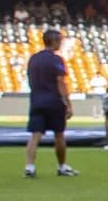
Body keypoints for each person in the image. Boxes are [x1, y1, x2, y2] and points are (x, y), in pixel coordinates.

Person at [23, 28, 76, 178]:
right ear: (54, 41)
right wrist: (68, 104)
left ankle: (29, 167)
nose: (61, 43)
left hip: (37, 100)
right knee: (59, 134)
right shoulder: (56, 59)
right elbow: (60, 82)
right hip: (53, 101)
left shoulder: (33, 58)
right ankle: (62, 166)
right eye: (59, 40)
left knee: (35, 135)